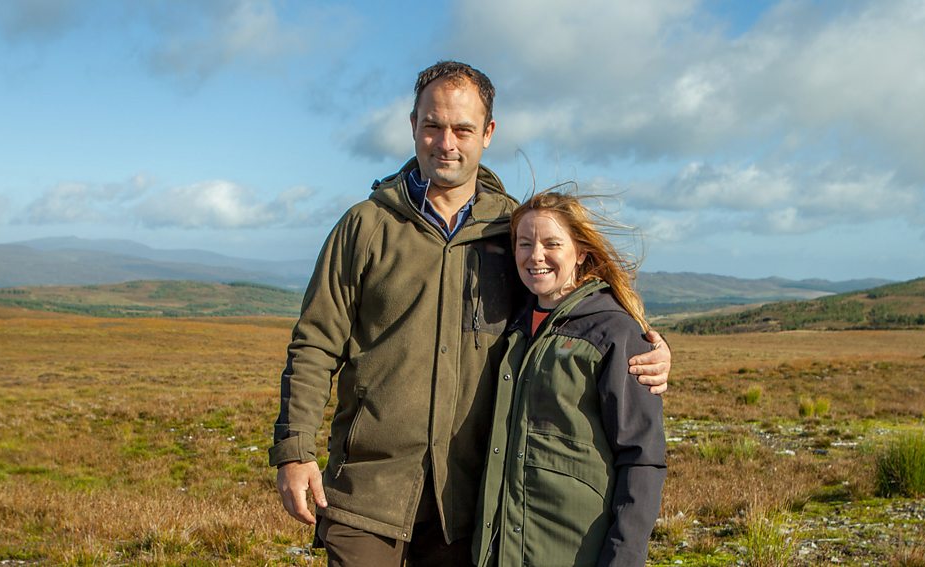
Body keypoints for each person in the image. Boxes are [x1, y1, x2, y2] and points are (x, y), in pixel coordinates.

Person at [269, 61, 671, 566]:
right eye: (432, 126)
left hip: (471, 501)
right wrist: (295, 449)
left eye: (462, 128)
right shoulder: (365, 226)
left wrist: (646, 345)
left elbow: (569, 305)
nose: (446, 143)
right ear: (412, 125)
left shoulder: (512, 230)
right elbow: (314, 343)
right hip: (366, 495)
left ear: (488, 133)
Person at [473, 191, 666, 567]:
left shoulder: (615, 333)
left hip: (574, 551)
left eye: (552, 243)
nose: (536, 256)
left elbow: (642, 460)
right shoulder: (510, 325)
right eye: (524, 244)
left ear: (580, 251)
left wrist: (623, 558)